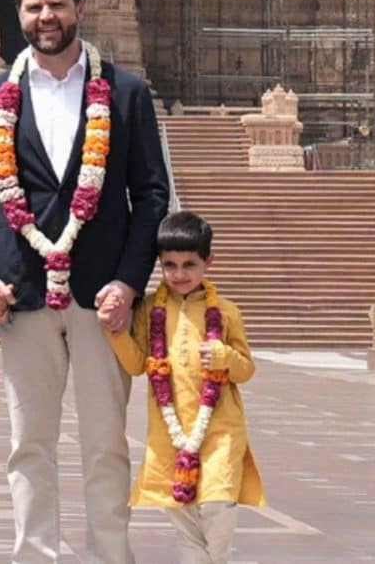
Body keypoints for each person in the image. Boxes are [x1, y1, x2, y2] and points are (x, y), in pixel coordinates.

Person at [0, 0, 170, 563]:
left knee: (105, 444)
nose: (45, 17)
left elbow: (151, 193)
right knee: (29, 443)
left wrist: (129, 281)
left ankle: (110, 556)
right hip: (21, 293)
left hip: (103, 297)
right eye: (33, 7)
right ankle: (37, 555)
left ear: (78, 8)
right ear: (18, 15)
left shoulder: (124, 93)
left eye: (56, 5)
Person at [100, 211, 264, 564]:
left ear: (209, 262)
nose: (179, 274)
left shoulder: (227, 312)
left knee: (218, 507)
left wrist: (224, 357)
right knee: (185, 523)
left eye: (189, 264)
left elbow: (246, 368)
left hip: (220, 431)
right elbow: (137, 363)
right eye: (169, 265)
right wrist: (114, 332)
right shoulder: (148, 310)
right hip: (168, 434)